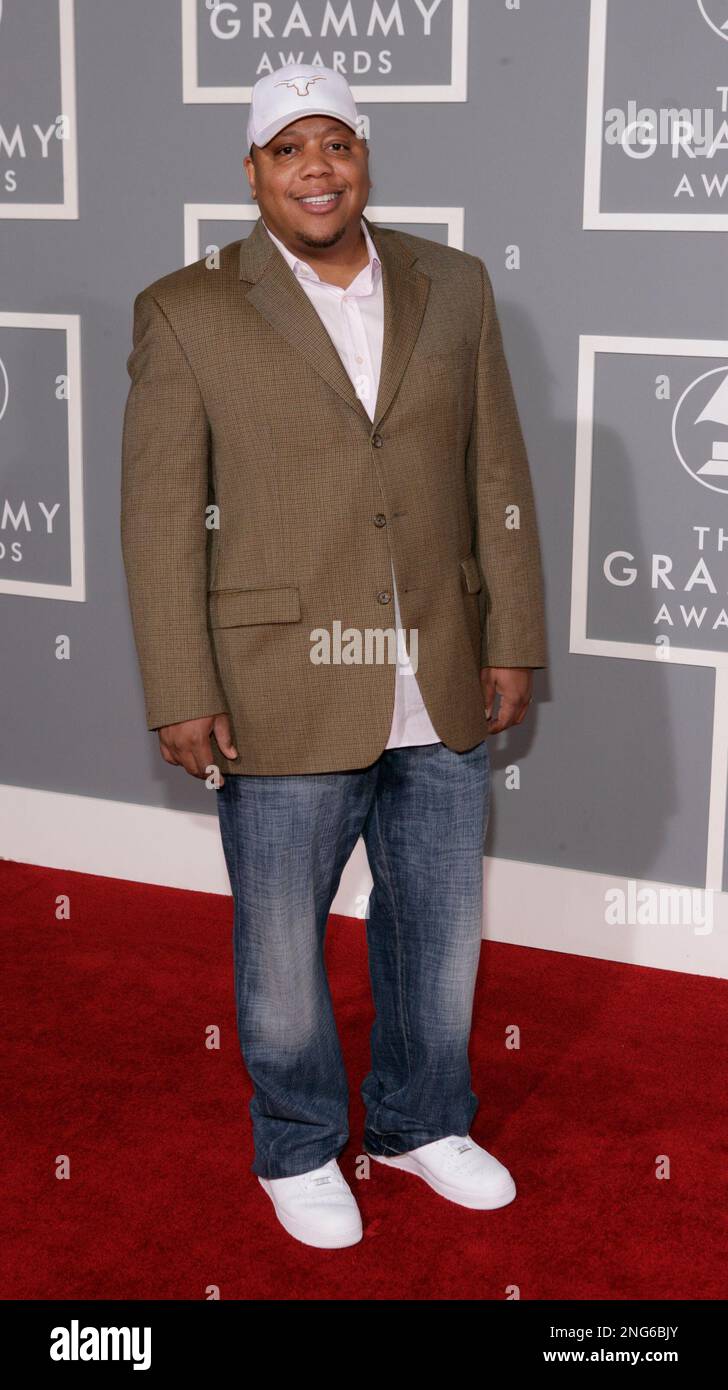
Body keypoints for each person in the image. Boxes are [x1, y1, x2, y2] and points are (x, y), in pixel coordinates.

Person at [120, 63, 548, 1251]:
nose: (318, 167)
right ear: (251, 172)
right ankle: (298, 1144)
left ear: (364, 158)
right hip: (276, 682)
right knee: (279, 952)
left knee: (439, 930)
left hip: (440, 667)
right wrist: (180, 685)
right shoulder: (186, 308)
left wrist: (509, 632)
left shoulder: (451, 286)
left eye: (337, 144)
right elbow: (160, 519)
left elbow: (494, 475)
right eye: (287, 149)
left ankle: (419, 1120)